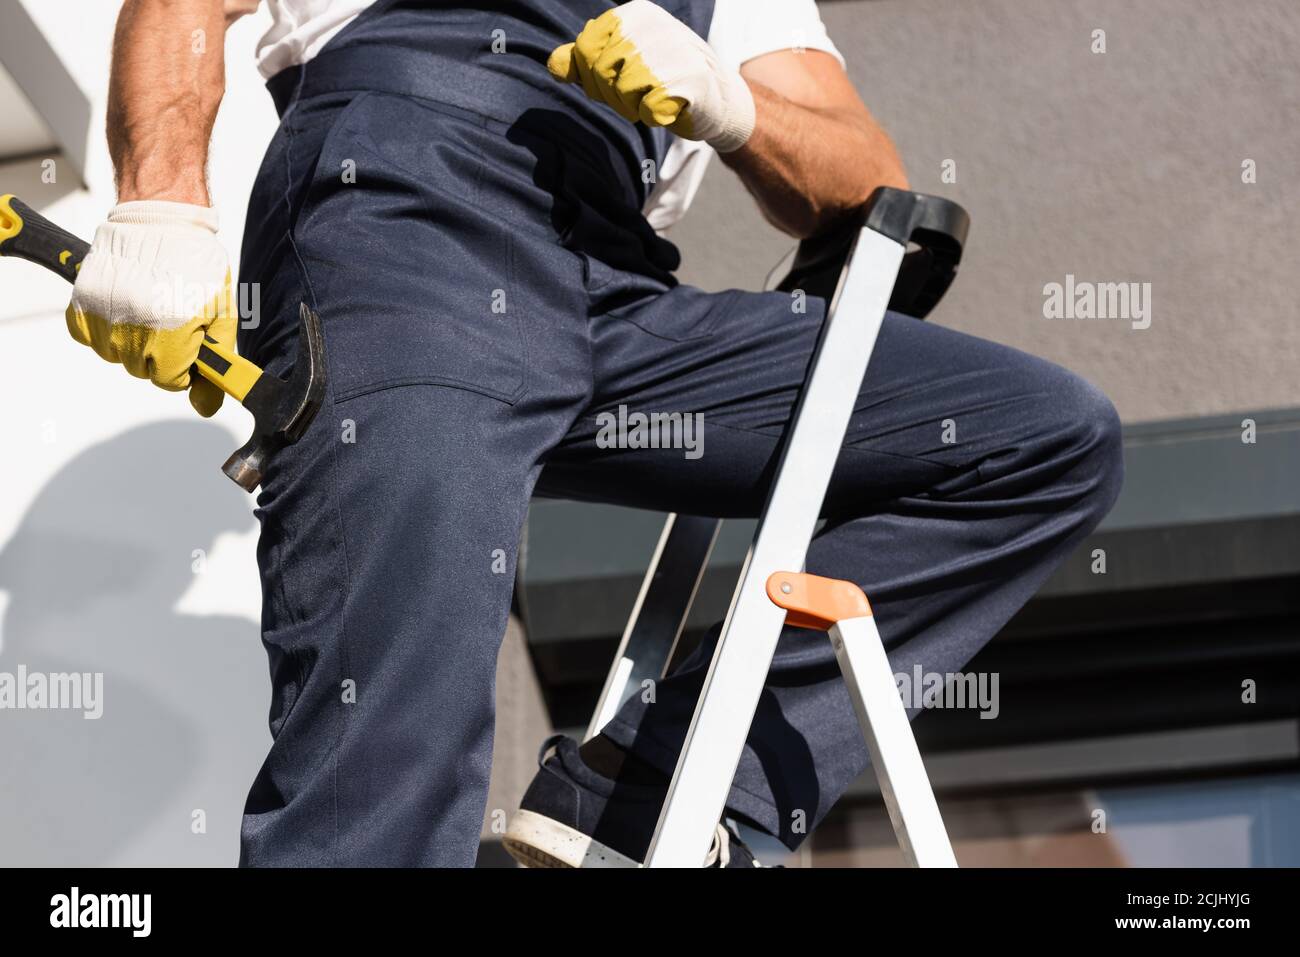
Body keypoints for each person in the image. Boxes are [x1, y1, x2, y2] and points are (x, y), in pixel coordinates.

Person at [66, 0, 1123, 867]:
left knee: (1037, 439)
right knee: (384, 782)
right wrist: (163, 202)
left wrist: (732, 105)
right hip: (406, 227)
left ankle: (639, 792)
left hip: (613, 290)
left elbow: (865, 177)